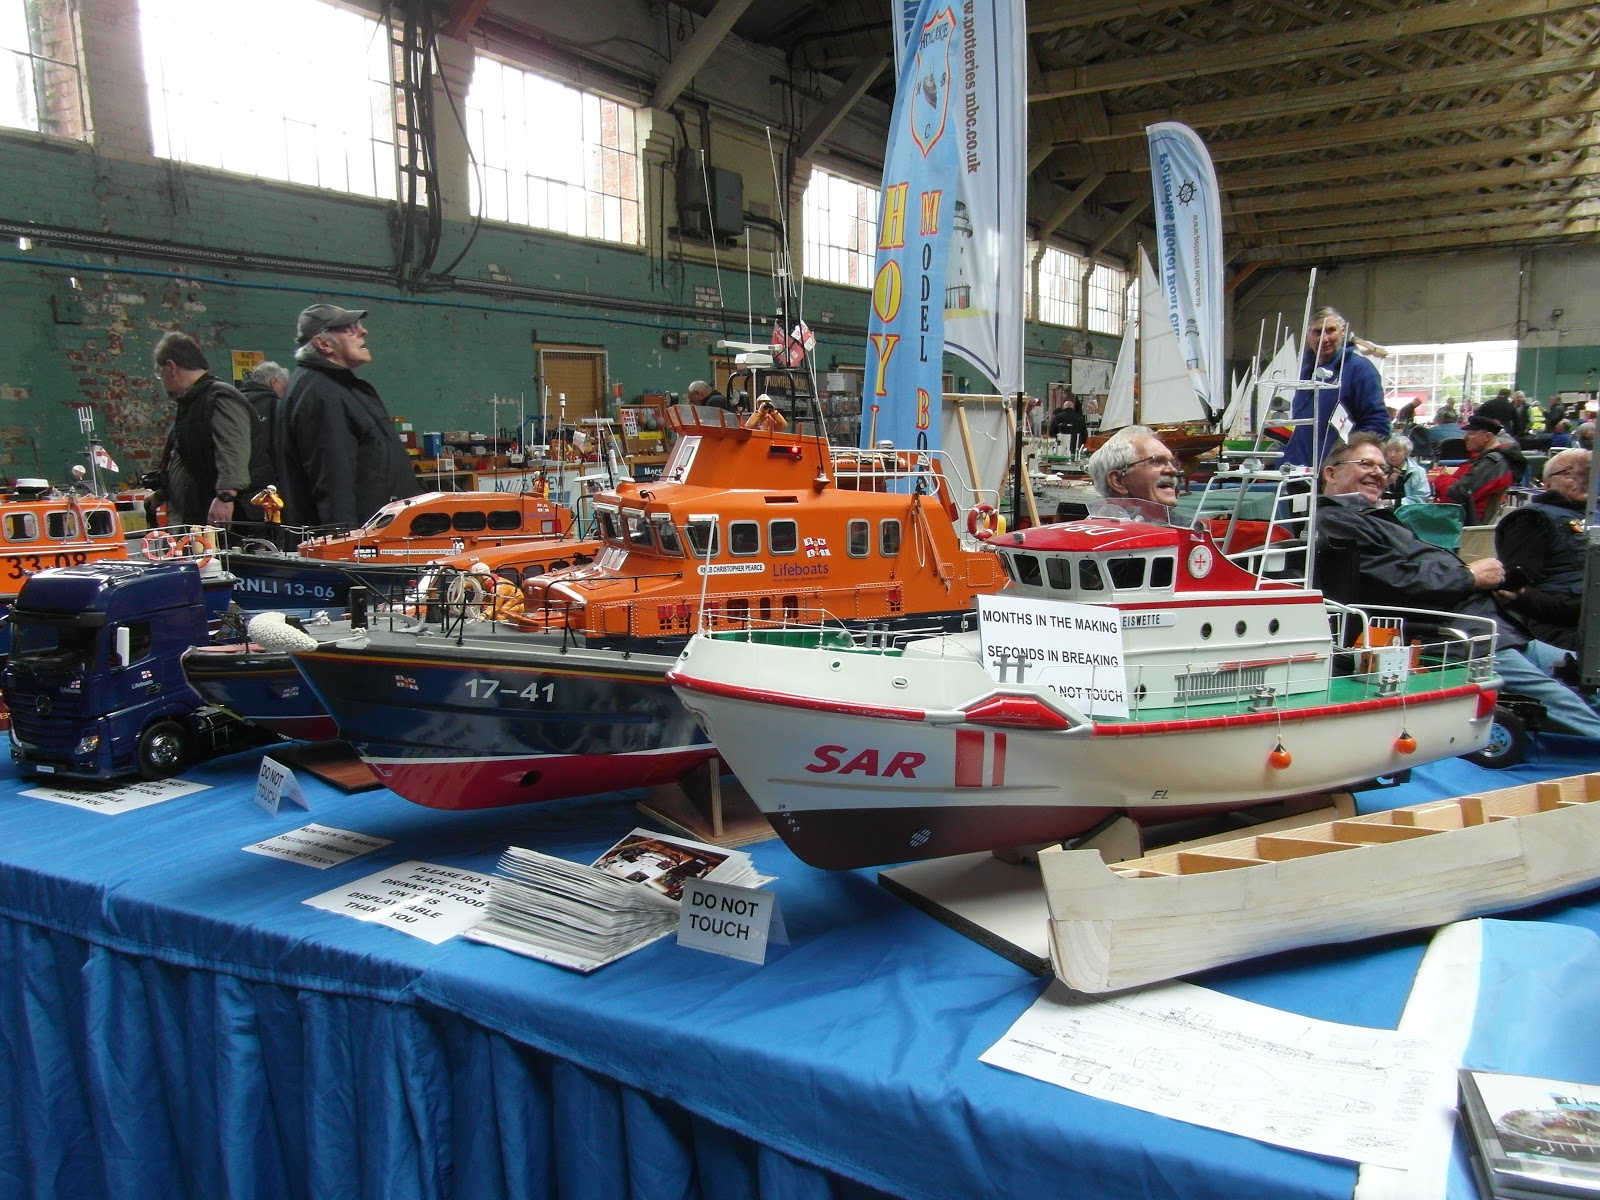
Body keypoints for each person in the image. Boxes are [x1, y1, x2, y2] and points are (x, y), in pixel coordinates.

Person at [1315, 432, 1600, 737]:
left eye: (1383, 468)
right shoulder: (1334, 521)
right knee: (1569, 704)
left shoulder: (1374, 518)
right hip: (1456, 634)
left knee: (1586, 674)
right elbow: (1390, 579)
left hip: (1494, 625)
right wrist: (1469, 576)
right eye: (1365, 464)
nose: (1377, 473)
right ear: (1330, 474)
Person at [277, 304, 419, 530]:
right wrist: (344, 550)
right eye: (349, 328)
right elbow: (334, 484)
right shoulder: (321, 392)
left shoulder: (335, 387)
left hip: (382, 537)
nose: (363, 332)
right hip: (363, 548)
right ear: (323, 344)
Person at [151, 331, 252, 528]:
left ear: (171, 367)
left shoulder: (219, 397)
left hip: (222, 519)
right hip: (197, 516)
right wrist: (163, 492)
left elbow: (233, 449)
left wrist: (225, 497)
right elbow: (183, 454)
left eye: (160, 373)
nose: (161, 381)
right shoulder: (191, 403)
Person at [1495, 447, 1591, 651]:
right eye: (1568, 473)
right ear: (1547, 483)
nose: (1581, 479)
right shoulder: (1532, 519)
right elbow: (1513, 590)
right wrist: (1583, 609)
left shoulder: (1593, 516)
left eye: (1587, 472)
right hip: (1560, 626)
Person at [1279, 307, 1390, 468]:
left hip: (1337, 476)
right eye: (1318, 332)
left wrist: (1345, 463)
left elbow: (1378, 426)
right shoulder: (1306, 371)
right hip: (1299, 474)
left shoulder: (1360, 370)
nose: (1324, 339)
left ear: (1342, 331)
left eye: (1330, 331)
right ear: (1308, 335)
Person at [1439, 415, 1524, 523]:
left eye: (1471, 434)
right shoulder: (1490, 460)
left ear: (1487, 437)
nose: (1465, 438)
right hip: (1462, 516)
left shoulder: (1491, 463)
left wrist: (1441, 480)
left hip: (1461, 521)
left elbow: (1457, 494)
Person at [1086, 425, 1181, 518]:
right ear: (1118, 481)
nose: (1173, 470)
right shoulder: (1095, 531)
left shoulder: (1191, 530)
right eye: (1157, 461)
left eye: (1173, 462)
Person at [239, 361, 288, 530]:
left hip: (231, 493)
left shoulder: (234, 403)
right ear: (274, 383)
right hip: (267, 492)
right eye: (283, 387)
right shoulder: (277, 407)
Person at [1380, 434, 1430, 506]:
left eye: (1397, 451)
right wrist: (1384, 484)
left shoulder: (1418, 471)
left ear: (1406, 454)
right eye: (1390, 450)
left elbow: (1421, 497)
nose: (1392, 455)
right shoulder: (1379, 469)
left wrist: (1393, 502)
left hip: (1408, 511)